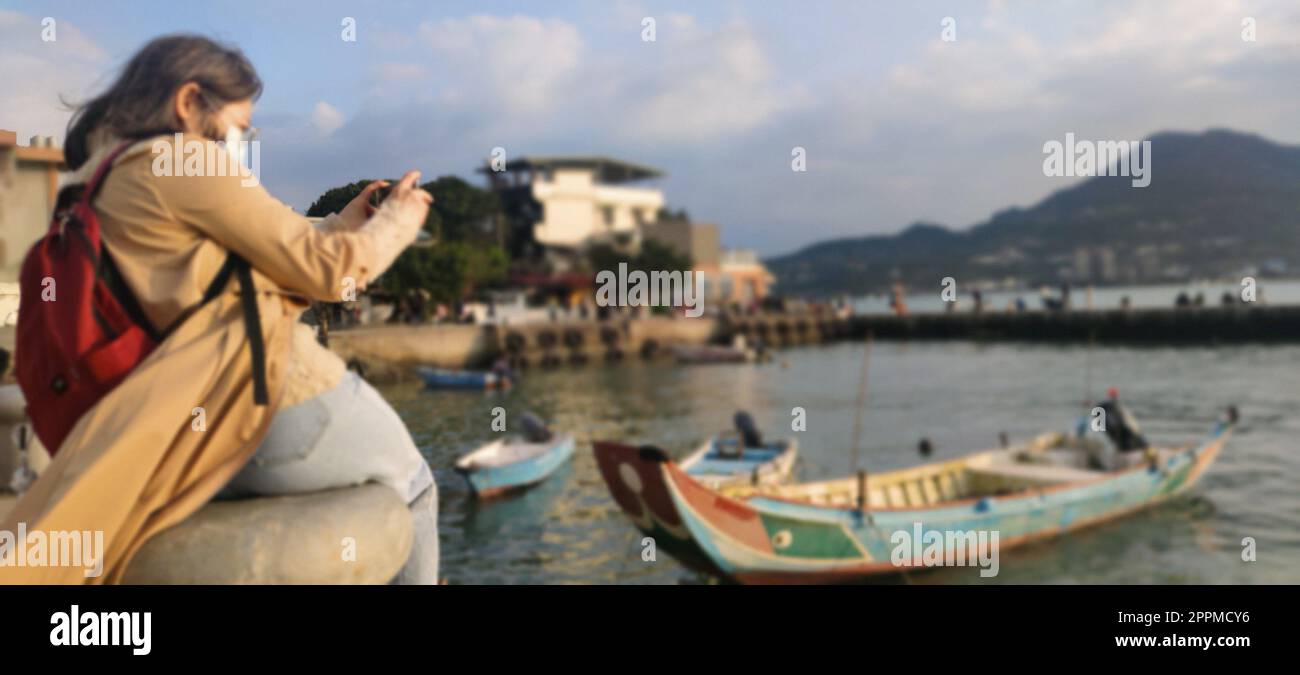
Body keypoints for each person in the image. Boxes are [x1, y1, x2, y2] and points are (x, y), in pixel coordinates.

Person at [1, 34, 437, 583]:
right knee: (416, 485)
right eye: (237, 127)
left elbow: (250, 247)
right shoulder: (183, 158)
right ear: (188, 103)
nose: (237, 141)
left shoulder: (101, 178)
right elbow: (329, 273)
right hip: (267, 396)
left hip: (178, 422)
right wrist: (398, 221)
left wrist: (336, 226)